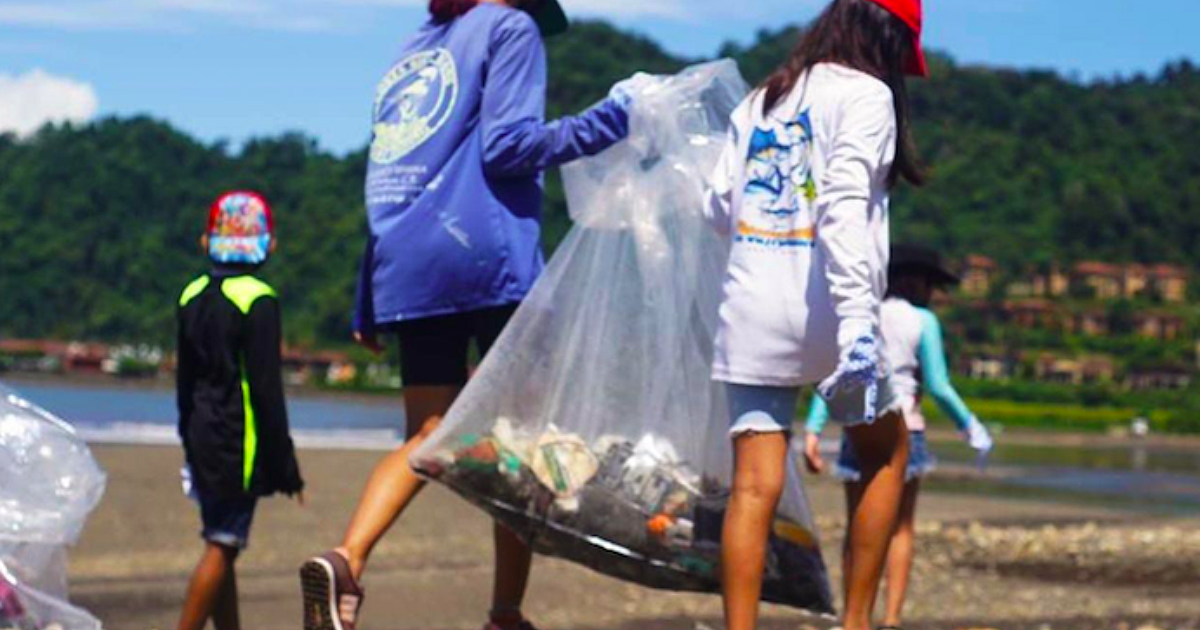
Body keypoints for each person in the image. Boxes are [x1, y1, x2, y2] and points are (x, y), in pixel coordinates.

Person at [299, 1, 635, 629]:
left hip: (406, 258)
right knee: (520, 439)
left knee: (426, 434)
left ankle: (347, 559)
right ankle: (505, 614)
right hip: (485, 254)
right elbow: (508, 147)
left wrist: (369, 286)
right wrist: (613, 119)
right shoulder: (512, 27)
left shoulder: (414, 50)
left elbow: (394, 169)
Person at [702, 1, 930, 629]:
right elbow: (843, 205)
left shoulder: (761, 99)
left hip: (752, 307)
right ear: (887, 37)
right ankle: (855, 622)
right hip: (833, 314)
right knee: (886, 451)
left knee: (754, 487)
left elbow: (717, 208)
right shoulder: (868, 95)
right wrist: (858, 325)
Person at [804, 244, 995, 630]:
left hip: (858, 425)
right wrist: (970, 426)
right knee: (900, 528)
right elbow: (938, 385)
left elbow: (838, 374)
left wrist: (813, 429)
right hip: (905, 427)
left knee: (857, 525)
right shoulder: (923, 321)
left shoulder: (865, 313)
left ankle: (853, 616)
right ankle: (890, 619)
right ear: (918, 282)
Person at [176, 191, 305, 630]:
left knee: (221, 540)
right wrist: (285, 465)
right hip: (237, 440)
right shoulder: (258, 298)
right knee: (223, 544)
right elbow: (266, 390)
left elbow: (184, 381)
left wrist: (186, 437)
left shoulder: (191, 294)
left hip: (200, 434)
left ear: (206, 241)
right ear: (268, 245)